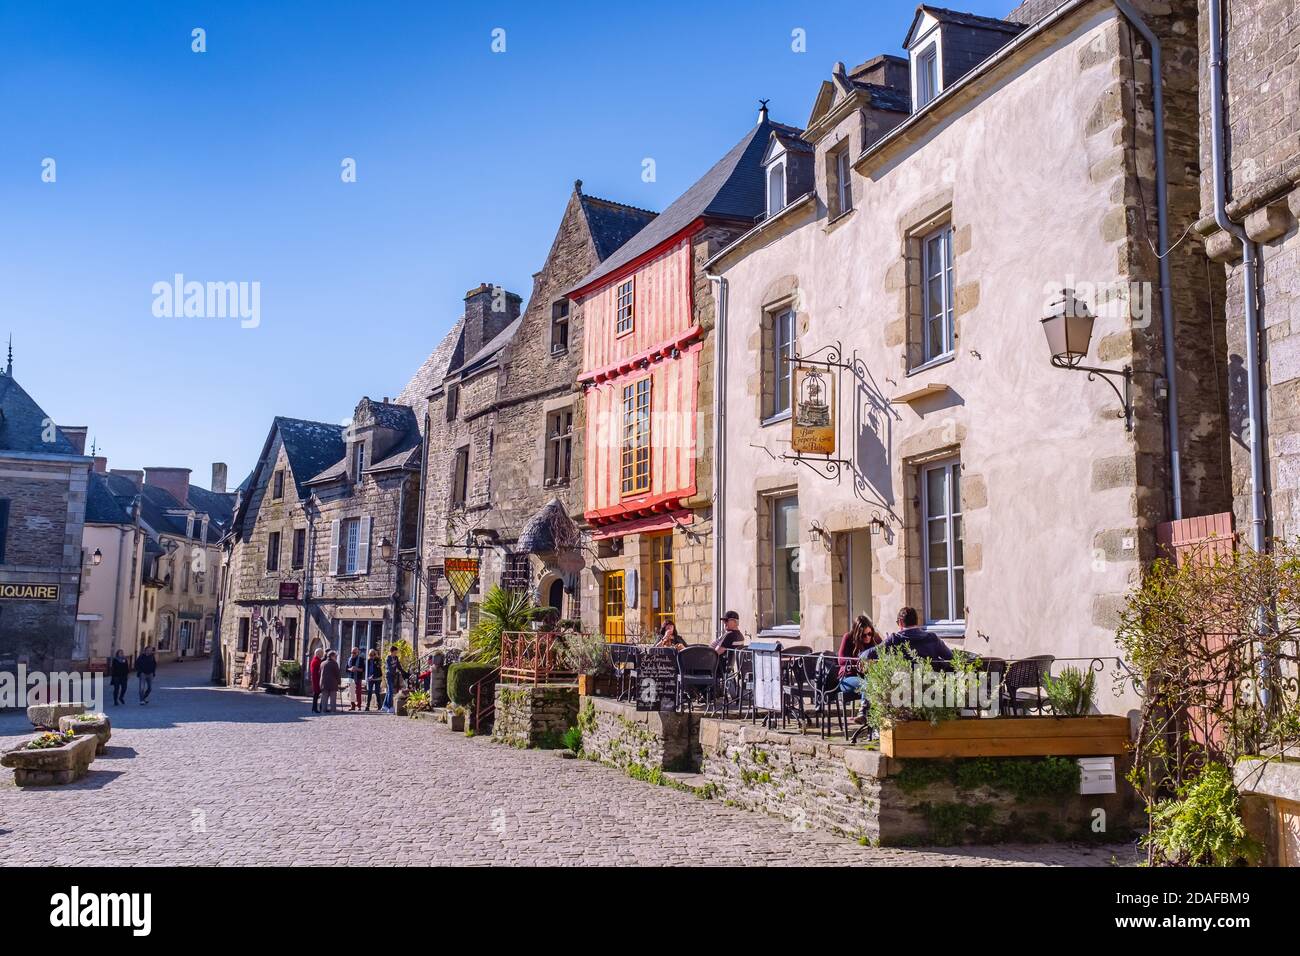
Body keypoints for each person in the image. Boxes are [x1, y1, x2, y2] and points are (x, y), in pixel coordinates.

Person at [862, 607, 954, 664]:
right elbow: (950, 657)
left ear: (901, 622)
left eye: (897, 622)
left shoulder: (895, 639)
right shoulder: (932, 638)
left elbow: (866, 655)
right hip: (931, 686)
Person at [837, 615, 882, 724]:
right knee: (867, 685)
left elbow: (884, 654)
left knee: (879, 685)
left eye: (869, 634)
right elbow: (841, 660)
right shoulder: (848, 638)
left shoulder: (875, 638)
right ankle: (863, 713)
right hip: (848, 678)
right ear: (857, 634)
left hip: (869, 677)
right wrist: (859, 662)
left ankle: (876, 724)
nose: (867, 637)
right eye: (864, 635)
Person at [382, 646, 407, 714]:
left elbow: (398, 666)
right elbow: (389, 668)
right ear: (392, 652)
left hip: (393, 676)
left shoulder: (396, 658)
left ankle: (384, 706)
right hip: (389, 676)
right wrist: (395, 672)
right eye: (395, 652)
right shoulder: (388, 658)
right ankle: (390, 707)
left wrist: (404, 672)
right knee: (390, 690)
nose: (396, 653)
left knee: (389, 691)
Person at [346, 646, 364, 711]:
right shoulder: (349, 659)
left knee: (358, 692)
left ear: (357, 653)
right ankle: (352, 705)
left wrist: (356, 669)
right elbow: (346, 669)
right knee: (352, 692)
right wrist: (350, 669)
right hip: (351, 677)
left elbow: (362, 669)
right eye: (351, 652)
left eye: (354, 653)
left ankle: (359, 706)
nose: (352, 654)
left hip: (358, 678)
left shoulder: (361, 659)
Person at [309, 648, 324, 713]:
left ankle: (314, 708)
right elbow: (316, 672)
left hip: (316, 679)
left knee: (316, 695)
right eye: (321, 653)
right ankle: (314, 708)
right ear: (318, 653)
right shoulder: (316, 661)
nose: (322, 654)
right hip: (316, 680)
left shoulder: (317, 660)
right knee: (316, 695)